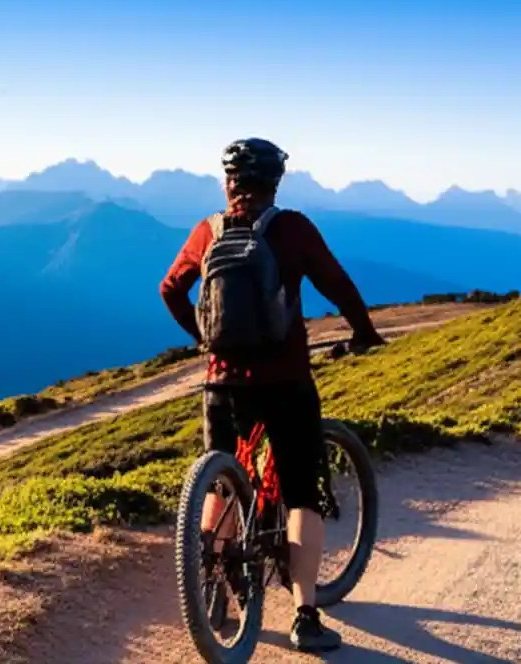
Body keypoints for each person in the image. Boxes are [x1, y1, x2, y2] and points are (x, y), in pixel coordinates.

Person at [158, 138, 384, 652]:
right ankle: (306, 614)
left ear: (228, 182)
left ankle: (214, 587)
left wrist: (204, 338)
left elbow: (170, 289)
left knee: (220, 481)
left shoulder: (208, 231)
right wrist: (364, 332)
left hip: (221, 381)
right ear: (275, 183)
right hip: (285, 381)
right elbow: (338, 284)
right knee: (302, 493)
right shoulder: (293, 228)